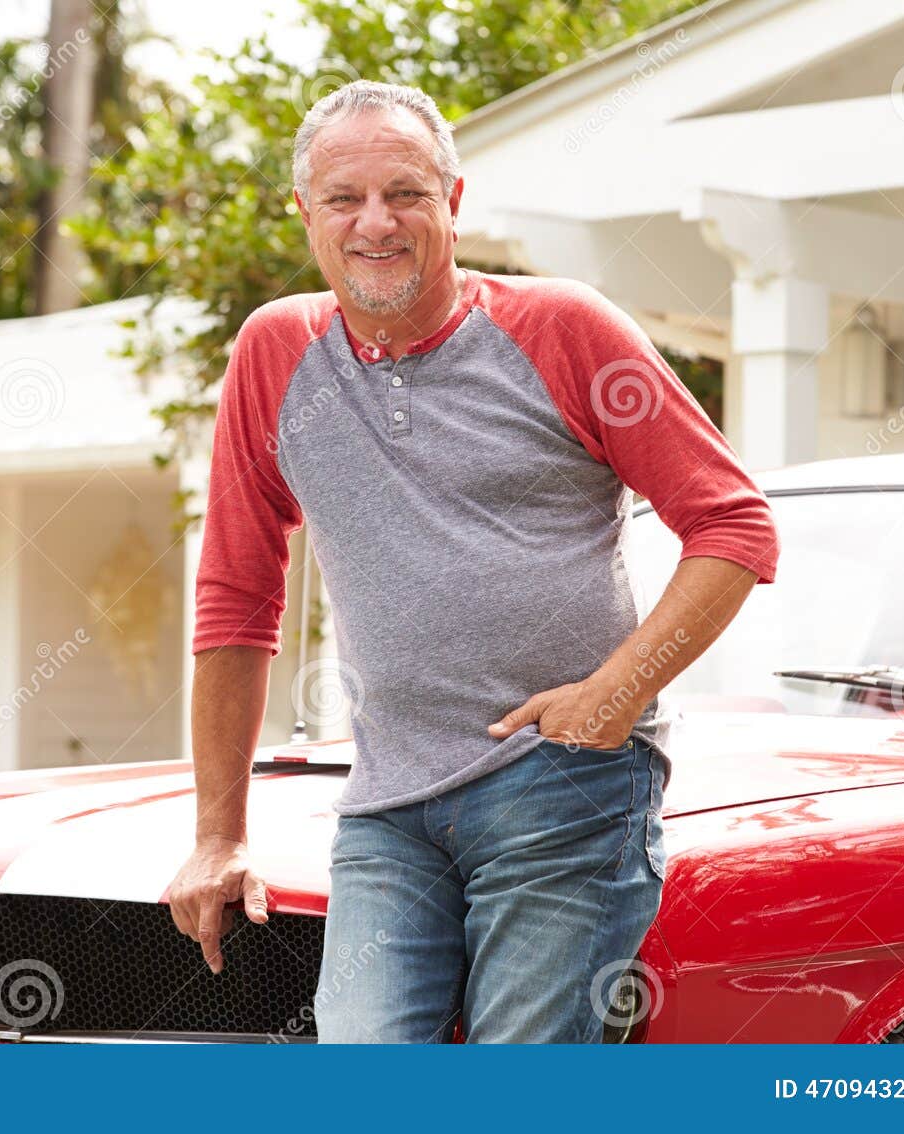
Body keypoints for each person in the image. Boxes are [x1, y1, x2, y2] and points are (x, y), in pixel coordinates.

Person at [167, 80, 779, 1043]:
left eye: (406, 193)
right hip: (387, 811)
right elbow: (239, 595)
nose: (377, 222)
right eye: (344, 199)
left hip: (565, 788)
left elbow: (735, 528)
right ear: (307, 215)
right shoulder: (274, 354)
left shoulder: (566, 330)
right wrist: (217, 834)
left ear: (453, 203)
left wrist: (618, 693)